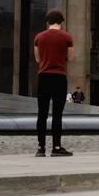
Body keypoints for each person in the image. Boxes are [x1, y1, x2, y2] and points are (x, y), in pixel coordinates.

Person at [32, 9, 74, 157]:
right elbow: (70, 58)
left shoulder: (39, 37)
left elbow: (37, 59)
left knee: (42, 114)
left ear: (47, 22)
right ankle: (56, 147)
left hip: (43, 77)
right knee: (57, 114)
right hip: (59, 77)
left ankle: (41, 148)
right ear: (61, 22)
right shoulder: (67, 37)